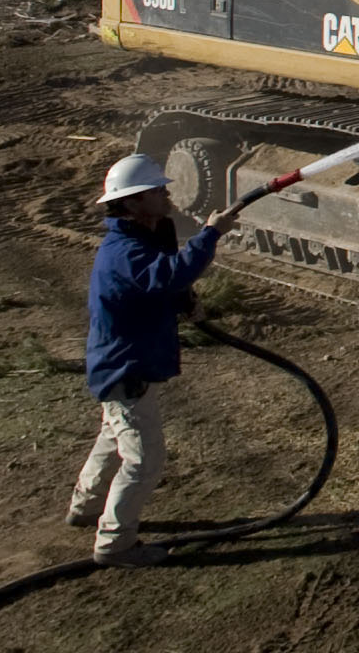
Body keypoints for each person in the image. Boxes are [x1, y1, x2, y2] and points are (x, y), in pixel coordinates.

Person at [68, 153, 239, 566]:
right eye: (156, 191)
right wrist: (211, 234)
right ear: (130, 203)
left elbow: (163, 281)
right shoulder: (123, 252)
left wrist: (186, 302)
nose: (166, 194)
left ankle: (86, 507)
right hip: (124, 367)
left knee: (114, 434)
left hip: (126, 363)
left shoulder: (145, 236)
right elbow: (167, 275)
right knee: (143, 459)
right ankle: (114, 543)